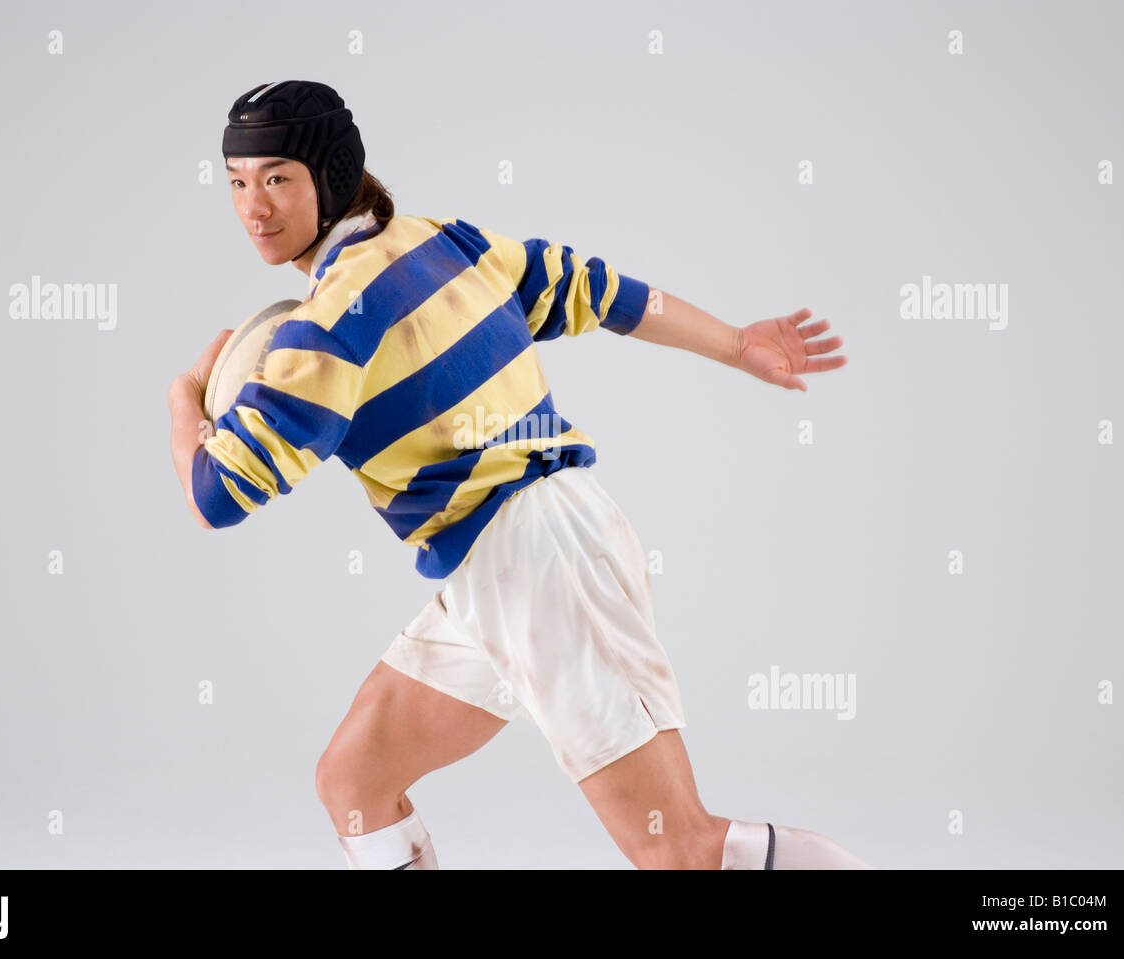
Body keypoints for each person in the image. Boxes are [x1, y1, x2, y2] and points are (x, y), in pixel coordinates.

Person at [166, 80, 867, 870]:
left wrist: (184, 402)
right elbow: (603, 292)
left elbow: (216, 495)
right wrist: (734, 341)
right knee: (355, 778)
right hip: (496, 565)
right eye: (236, 183)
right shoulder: (442, 241)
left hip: (538, 561)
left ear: (330, 176)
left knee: (683, 850)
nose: (254, 206)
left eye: (277, 178)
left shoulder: (323, 325)